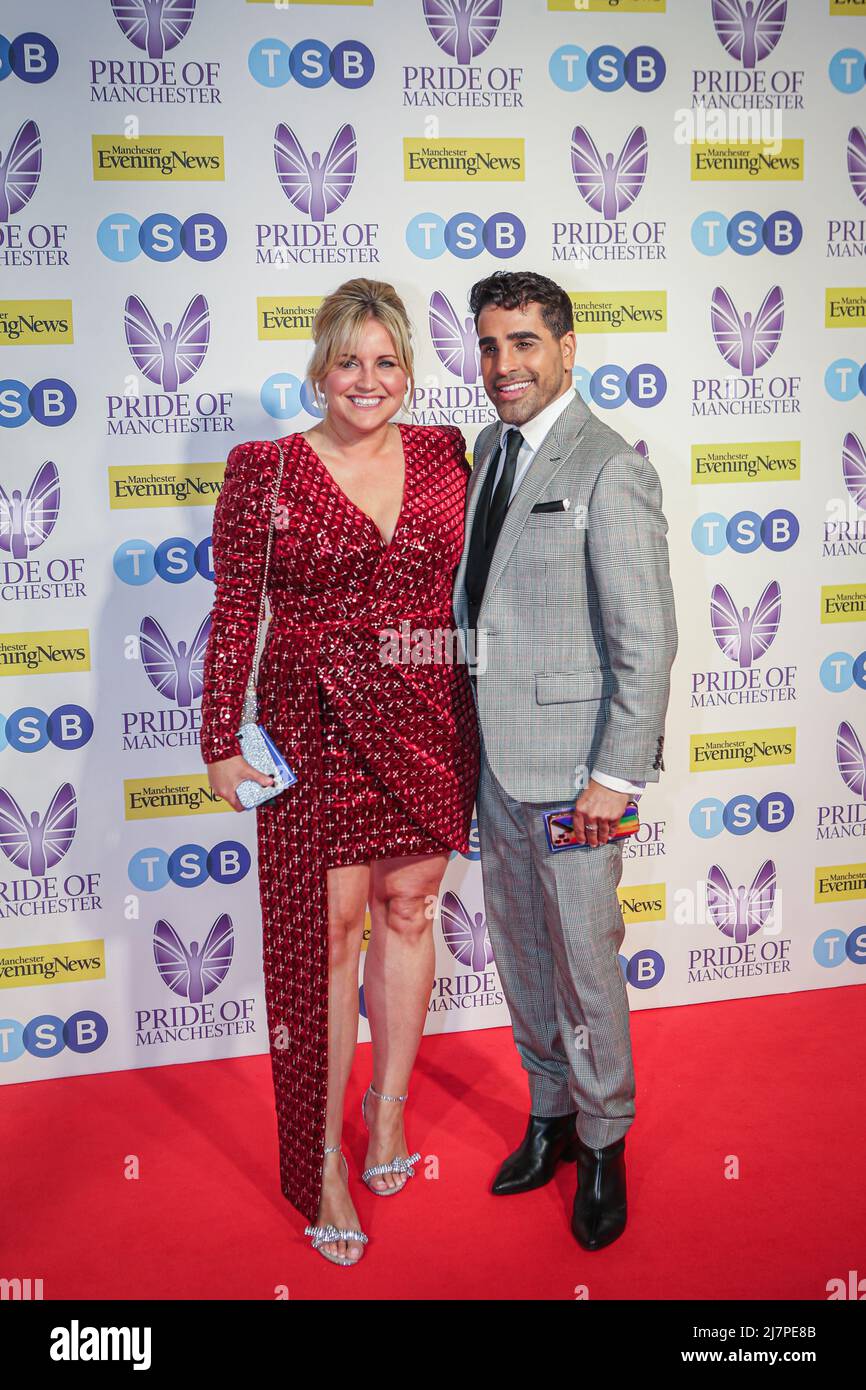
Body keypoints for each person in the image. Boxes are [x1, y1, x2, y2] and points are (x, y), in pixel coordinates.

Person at [200, 278, 479, 1266]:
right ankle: (318, 1157)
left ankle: (388, 1109)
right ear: (319, 367)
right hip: (312, 721)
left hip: (424, 708)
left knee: (410, 909)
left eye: (386, 361)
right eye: (348, 360)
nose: (368, 380)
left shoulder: (449, 454)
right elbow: (237, 609)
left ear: (409, 368)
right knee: (329, 934)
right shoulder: (264, 470)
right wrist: (219, 740)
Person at [453, 269, 677, 1251]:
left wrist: (614, 779)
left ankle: (602, 1138)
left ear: (567, 345)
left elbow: (645, 642)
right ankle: (547, 1113)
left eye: (524, 343)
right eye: (490, 345)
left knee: (586, 964)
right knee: (520, 949)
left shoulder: (605, 466)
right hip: (497, 764)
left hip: (580, 773)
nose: (503, 366)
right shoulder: (486, 453)